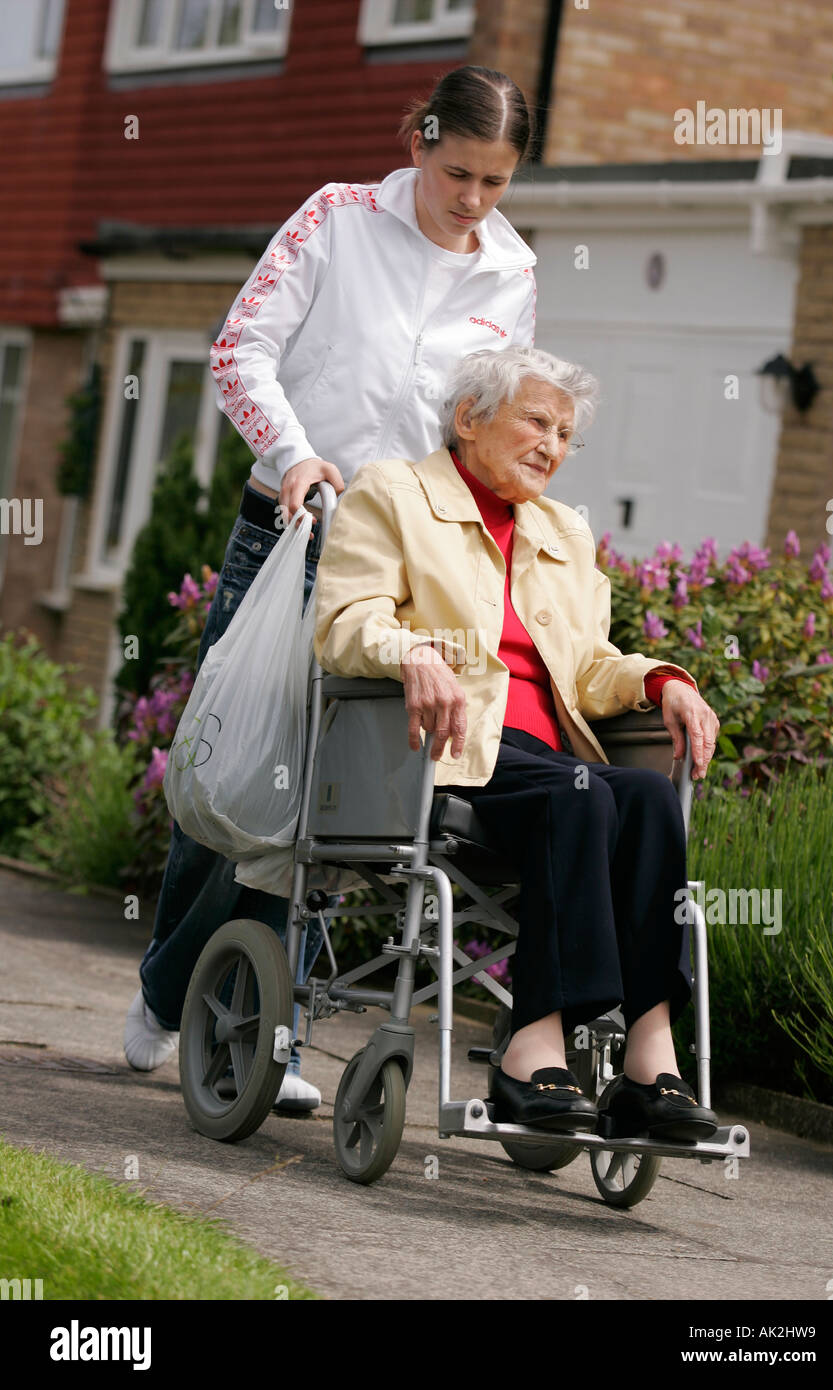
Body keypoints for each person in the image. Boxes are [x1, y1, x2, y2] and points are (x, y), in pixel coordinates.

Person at [124, 66, 540, 1114]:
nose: (473, 201)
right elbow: (239, 351)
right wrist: (298, 452)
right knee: (236, 773)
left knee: (330, 800)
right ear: (419, 141)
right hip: (286, 530)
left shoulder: (512, 273)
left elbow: (481, 430)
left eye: (495, 181)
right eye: (457, 173)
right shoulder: (335, 221)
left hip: (394, 566)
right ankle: (173, 987)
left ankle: (270, 1024)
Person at [313, 345, 722, 1141]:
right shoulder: (392, 494)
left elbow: (589, 664)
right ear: (469, 418)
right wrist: (412, 651)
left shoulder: (563, 530)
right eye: (537, 421)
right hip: (445, 752)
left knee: (638, 795)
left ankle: (649, 1057)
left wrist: (661, 681)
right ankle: (531, 1049)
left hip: (547, 759)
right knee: (581, 797)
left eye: (565, 434)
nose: (552, 446)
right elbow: (344, 619)